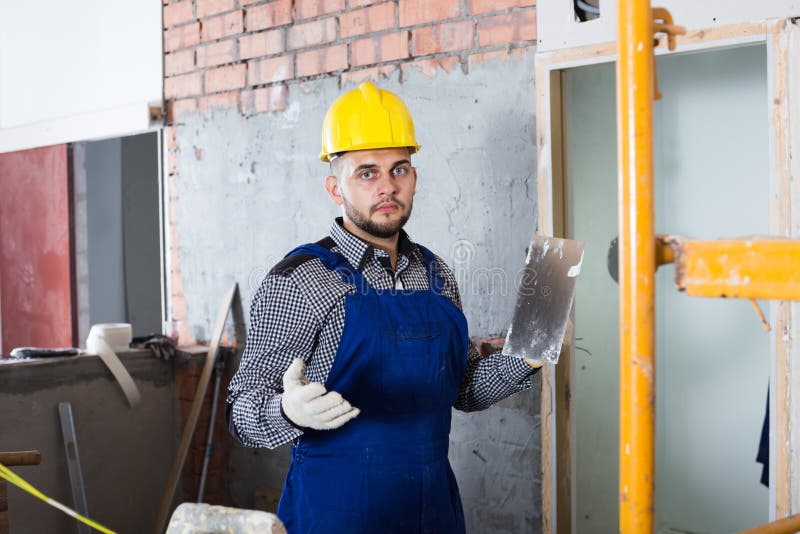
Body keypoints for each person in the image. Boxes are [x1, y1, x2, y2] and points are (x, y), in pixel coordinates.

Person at [226, 81, 541, 534]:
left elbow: (463, 391)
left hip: (432, 511)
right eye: (367, 173)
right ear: (335, 187)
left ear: (415, 178)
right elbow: (242, 413)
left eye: (400, 170)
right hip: (337, 514)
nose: (388, 187)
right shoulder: (300, 280)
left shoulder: (435, 274)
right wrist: (288, 412)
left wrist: (527, 354)